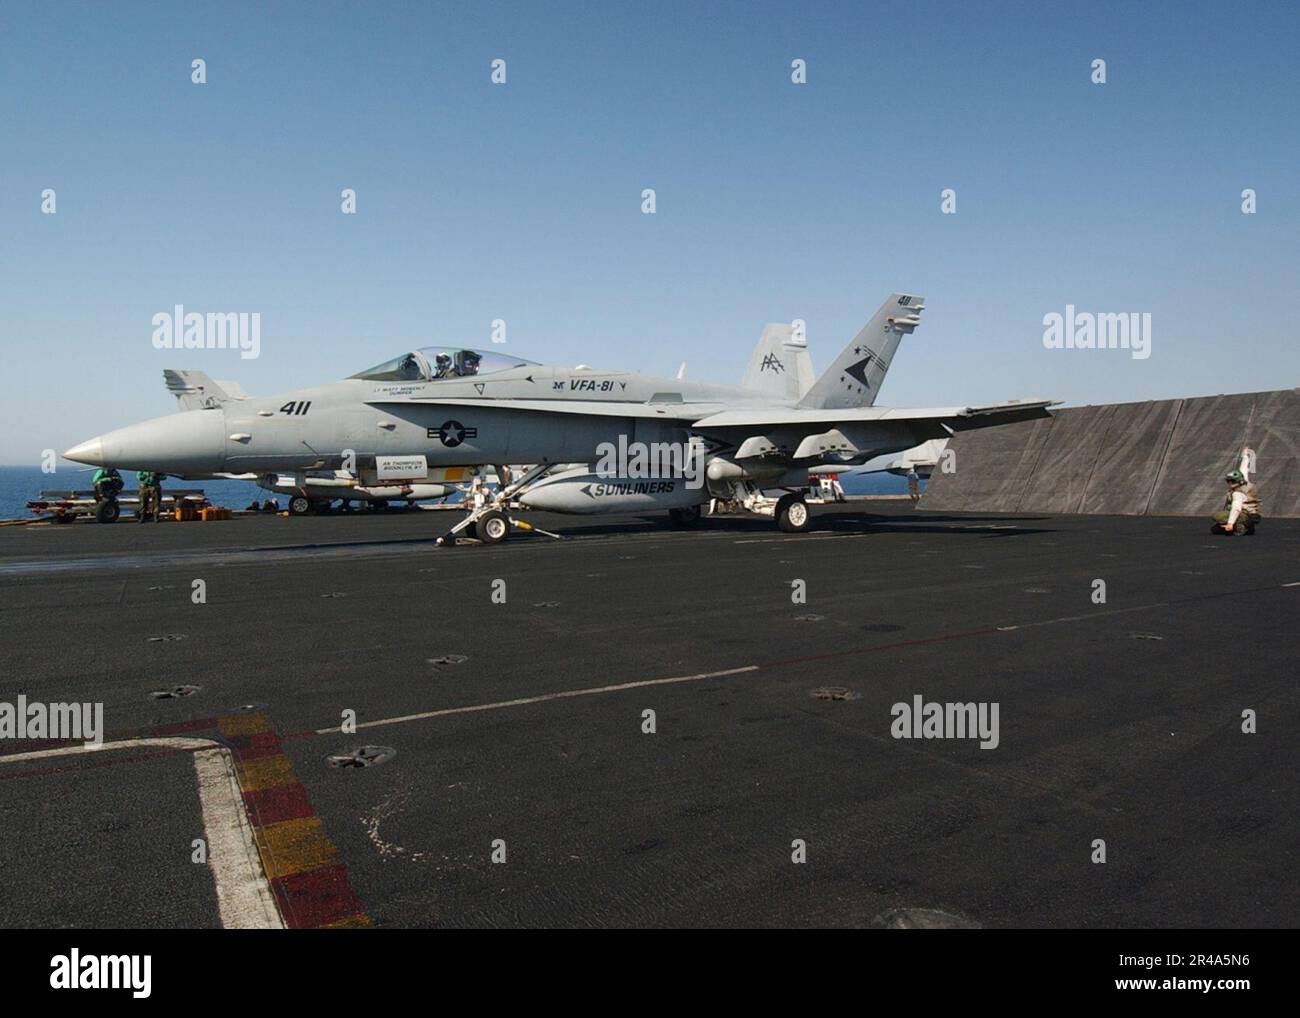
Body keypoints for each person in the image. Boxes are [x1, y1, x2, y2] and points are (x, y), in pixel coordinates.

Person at [1213, 461, 1261, 535]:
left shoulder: (1238, 493)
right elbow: (1243, 470)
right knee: (1215, 529)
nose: (1230, 483)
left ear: (1239, 481)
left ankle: (1241, 527)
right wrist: (1245, 456)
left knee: (1217, 516)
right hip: (1252, 513)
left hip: (1245, 513)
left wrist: (1230, 524)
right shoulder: (1246, 484)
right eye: (1228, 481)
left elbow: (1236, 508)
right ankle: (1247, 525)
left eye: (1232, 481)